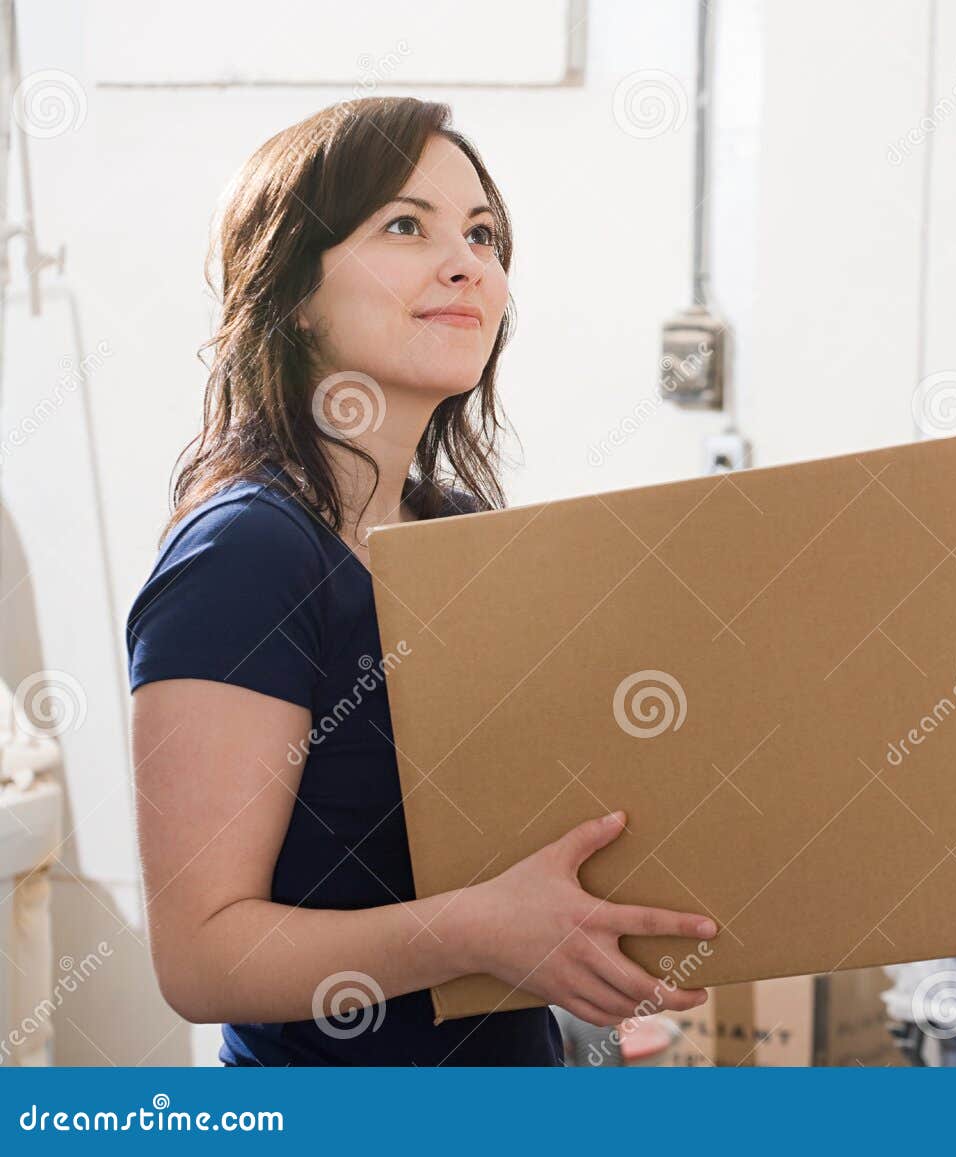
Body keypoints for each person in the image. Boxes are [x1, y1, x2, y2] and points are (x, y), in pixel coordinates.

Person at [124, 96, 714, 1066]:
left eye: (482, 234)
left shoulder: (460, 535)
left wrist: (582, 969)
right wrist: (481, 934)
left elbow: (492, 858)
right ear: (293, 289)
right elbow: (201, 956)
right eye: (405, 224)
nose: (466, 262)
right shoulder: (245, 557)